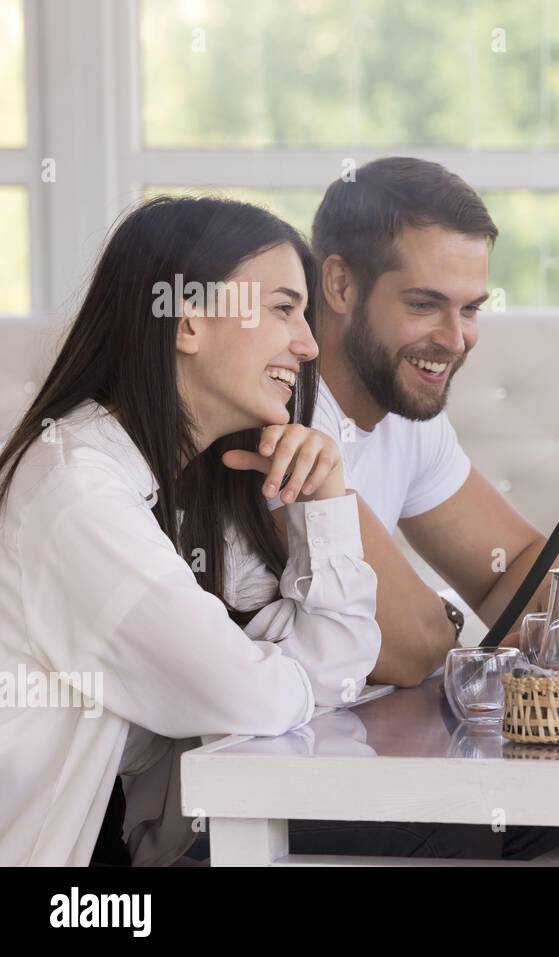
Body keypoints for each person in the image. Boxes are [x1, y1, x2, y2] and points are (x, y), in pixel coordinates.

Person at [0, 197, 380, 865]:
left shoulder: (175, 488)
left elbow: (339, 666)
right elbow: (252, 694)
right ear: (187, 321)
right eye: (283, 308)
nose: (311, 344)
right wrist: (272, 668)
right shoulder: (79, 495)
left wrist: (324, 502)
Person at [306, 157, 556, 687]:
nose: (454, 339)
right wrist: (452, 634)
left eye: (470, 310)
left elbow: (513, 567)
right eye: (424, 304)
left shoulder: (404, 406)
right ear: (341, 284)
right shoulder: (284, 411)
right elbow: (413, 648)